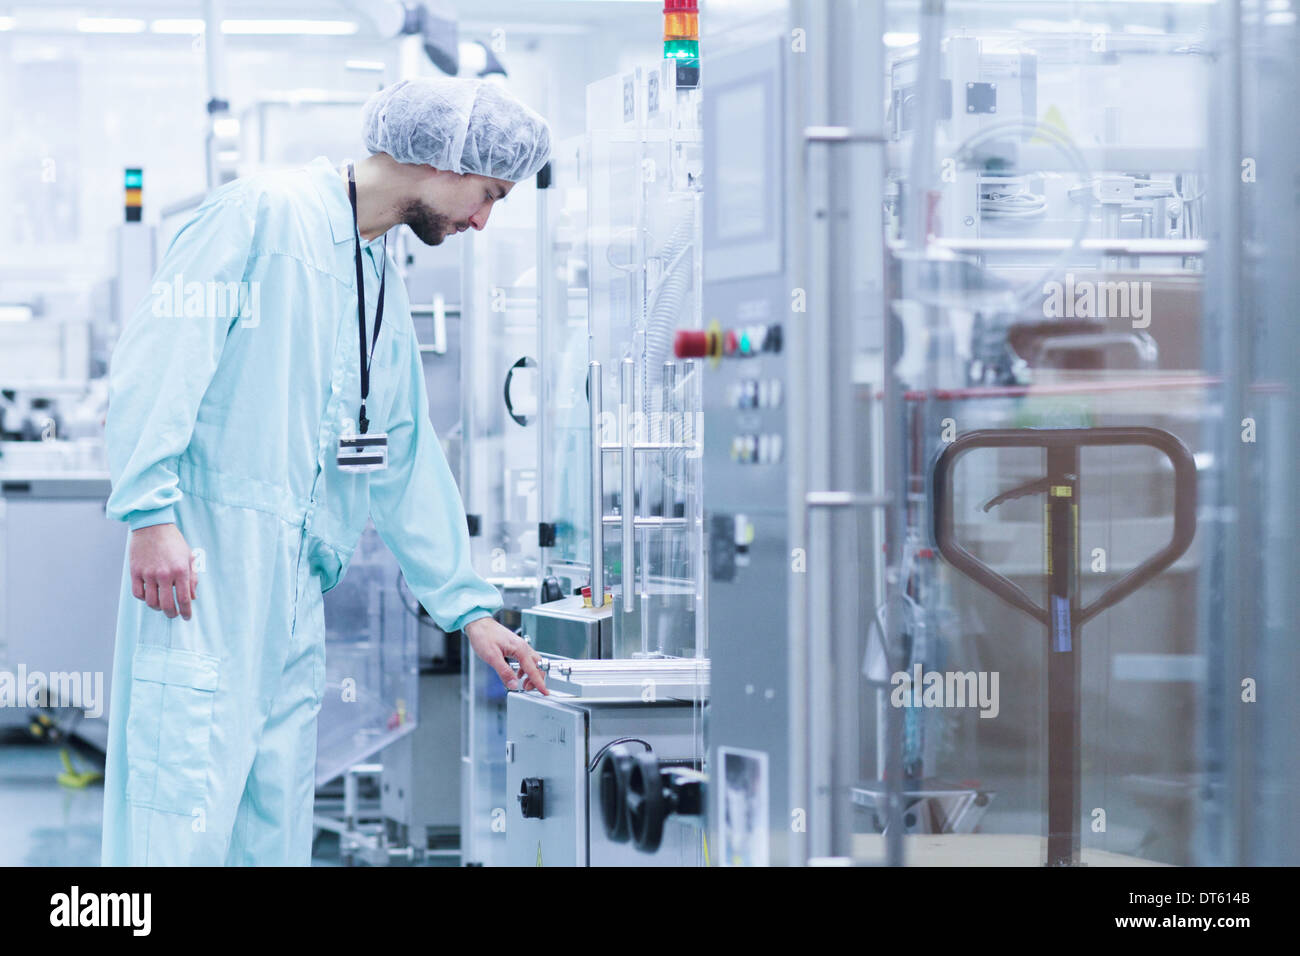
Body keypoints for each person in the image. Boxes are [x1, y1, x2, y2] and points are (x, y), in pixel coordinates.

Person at [102, 77, 551, 866]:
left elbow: (404, 455)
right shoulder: (260, 215)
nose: (482, 219)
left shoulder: (375, 273)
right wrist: (149, 513)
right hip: (202, 575)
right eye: (489, 194)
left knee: (272, 826)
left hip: (296, 595)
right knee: (180, 812)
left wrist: (469, 608)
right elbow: (157, 360)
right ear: (442, 159)